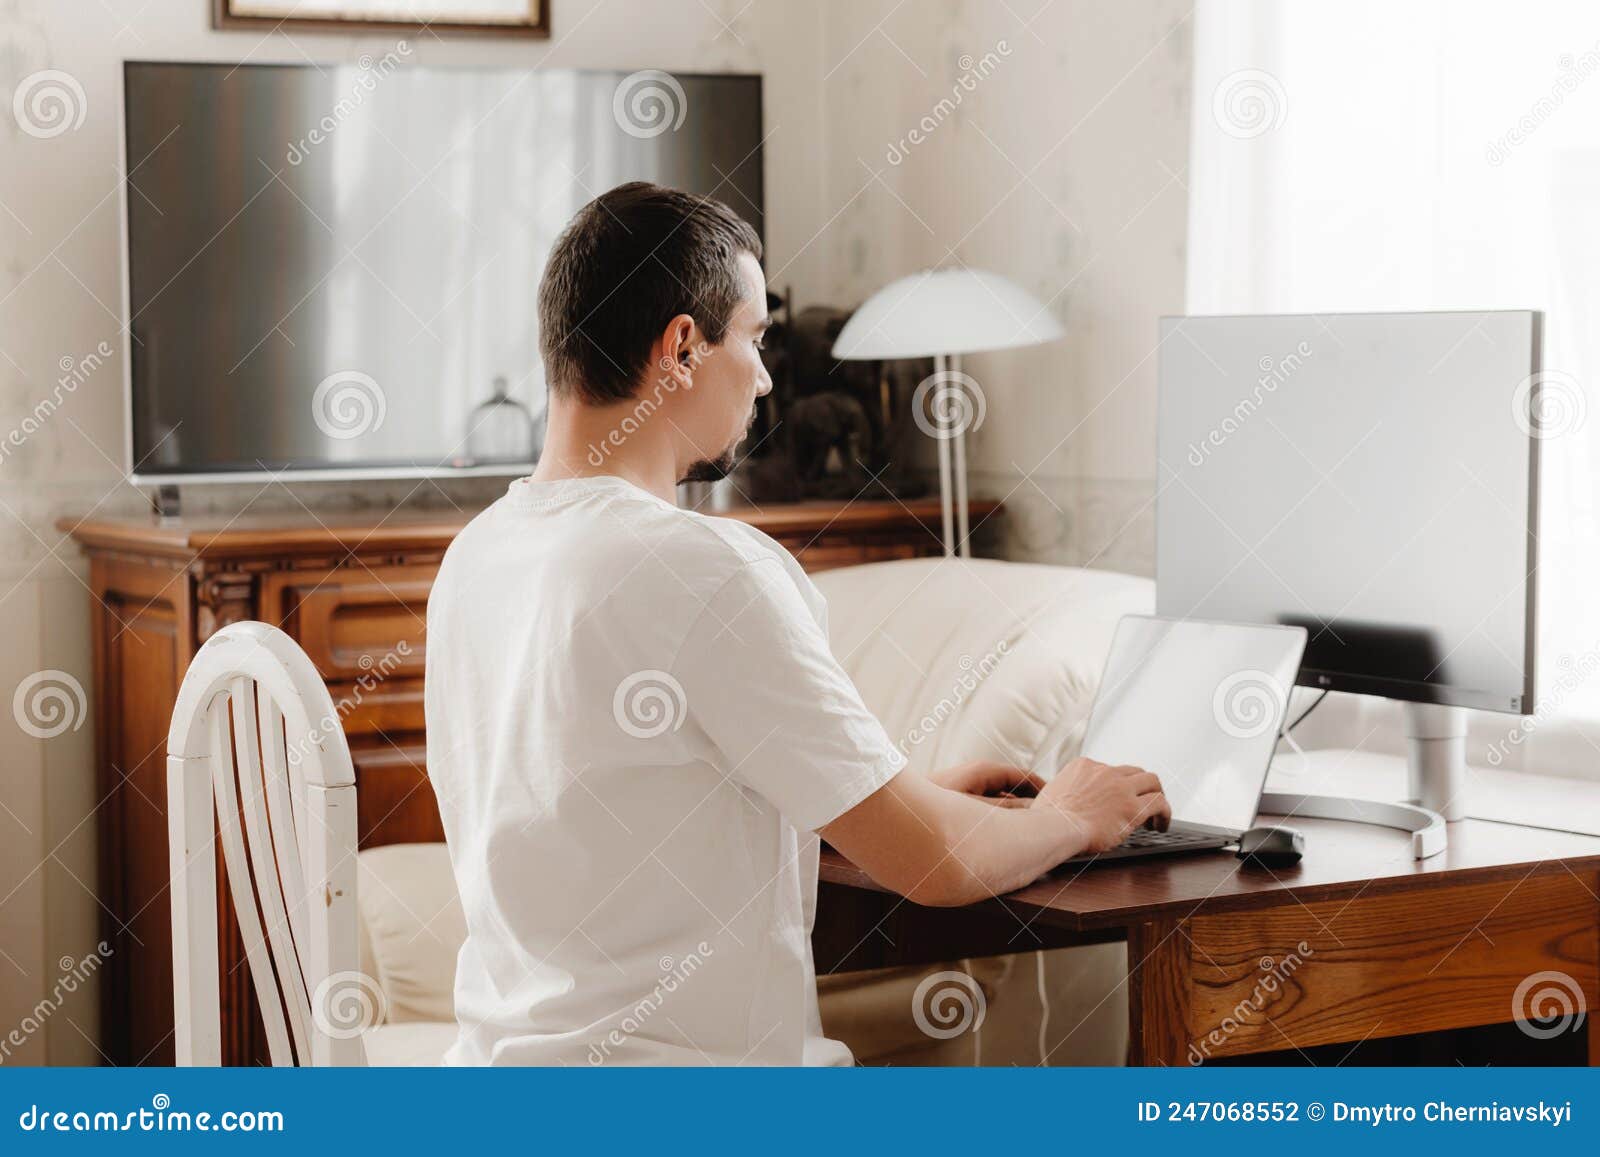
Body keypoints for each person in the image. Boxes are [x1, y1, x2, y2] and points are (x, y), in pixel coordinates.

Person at [425, 181, 1169, 1066]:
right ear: (682, 348)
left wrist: (892, 789)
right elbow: (932, 863)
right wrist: (1075, 816)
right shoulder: (705, 568)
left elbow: (632, 805)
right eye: (754, 337)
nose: (769, 375)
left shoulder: (477, 554)